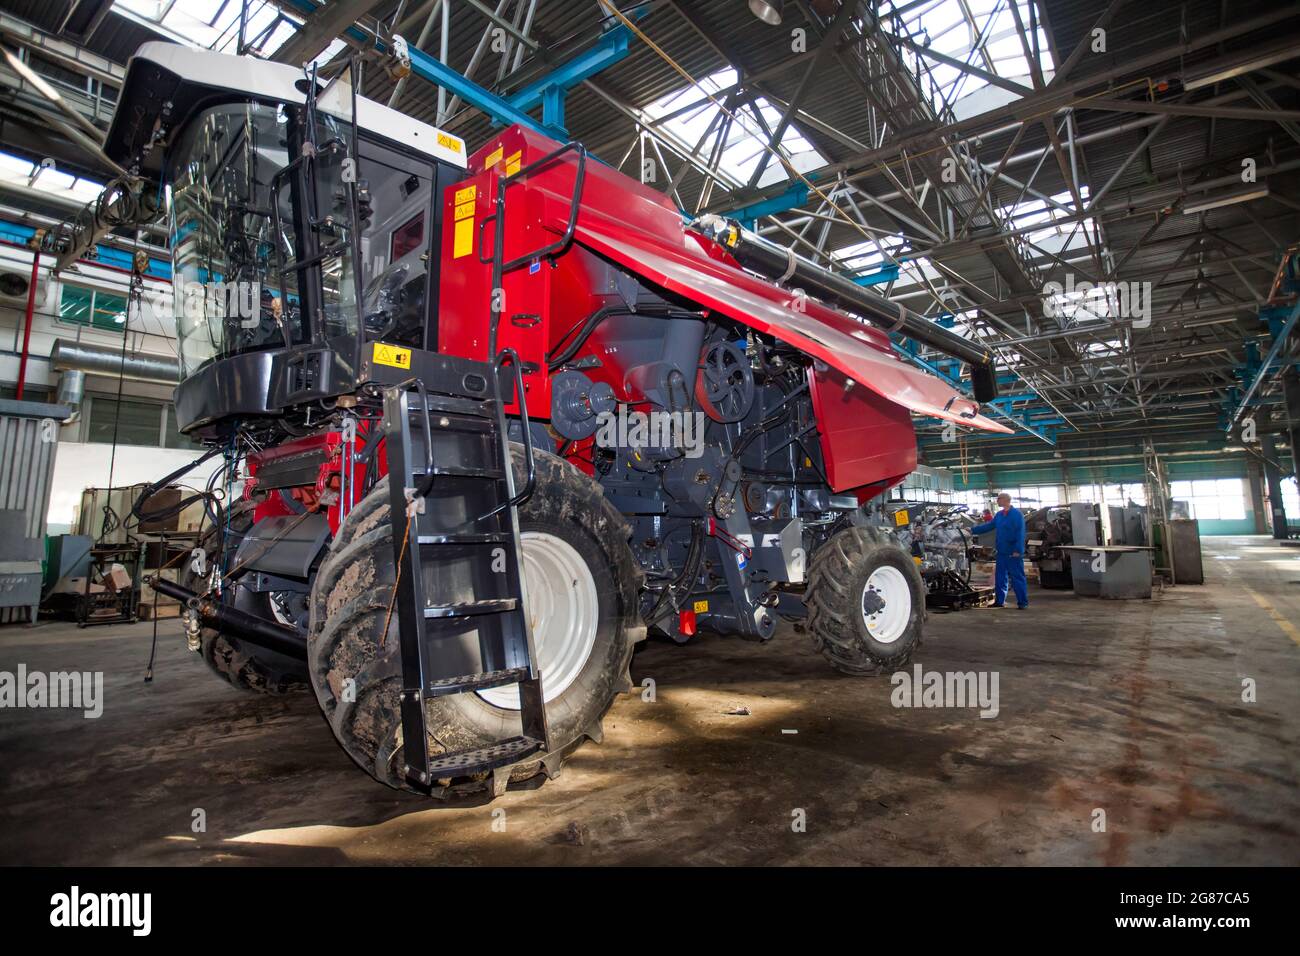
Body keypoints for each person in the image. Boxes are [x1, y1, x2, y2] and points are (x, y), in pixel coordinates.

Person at [971, 492, 1028, 609]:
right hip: (1002, 551)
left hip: (1013, 552)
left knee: (1017, 577)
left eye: (999, 499)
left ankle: (1022, 602)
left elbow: (1020, 533)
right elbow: (988, 526)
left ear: (1007, 500)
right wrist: (972, 530)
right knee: (1000, 577)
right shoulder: (999, 515)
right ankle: (999, 601)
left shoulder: (1017, 515)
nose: (997, 501)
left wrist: (1018, 549)